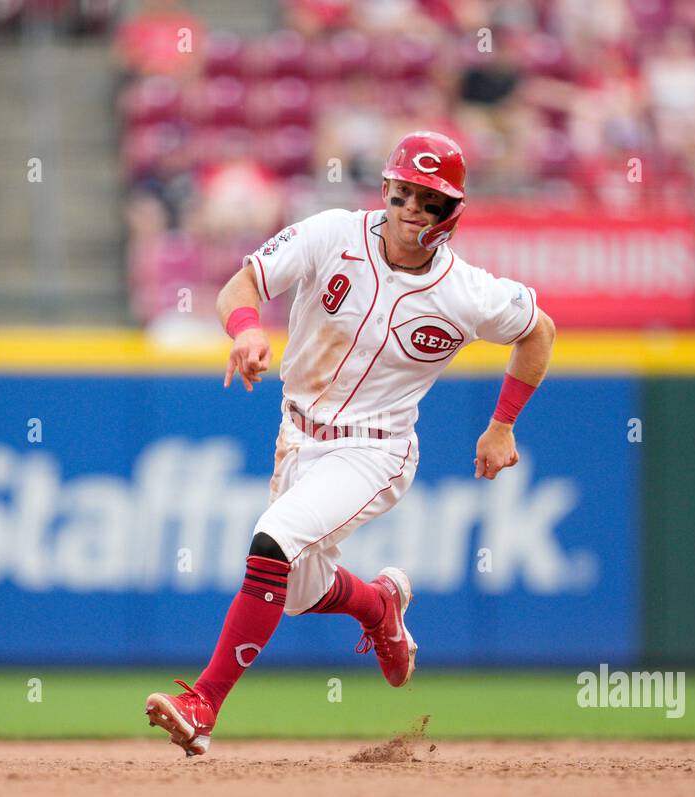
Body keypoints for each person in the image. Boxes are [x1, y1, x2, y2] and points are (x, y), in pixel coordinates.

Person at [145, 131, 556, 756]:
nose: (412, 209)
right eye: (403, 193)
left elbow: (539, 331)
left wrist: (503, 424)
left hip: (377, 448)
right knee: (301, 592)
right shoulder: (332, 233)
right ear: (385, 190)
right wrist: (248, 330)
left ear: (452, 214)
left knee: (272, 543)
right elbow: (241, 286)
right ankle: (379, 604)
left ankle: (203, 704)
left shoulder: (466, 292)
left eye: (431, 200)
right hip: (296, 435)